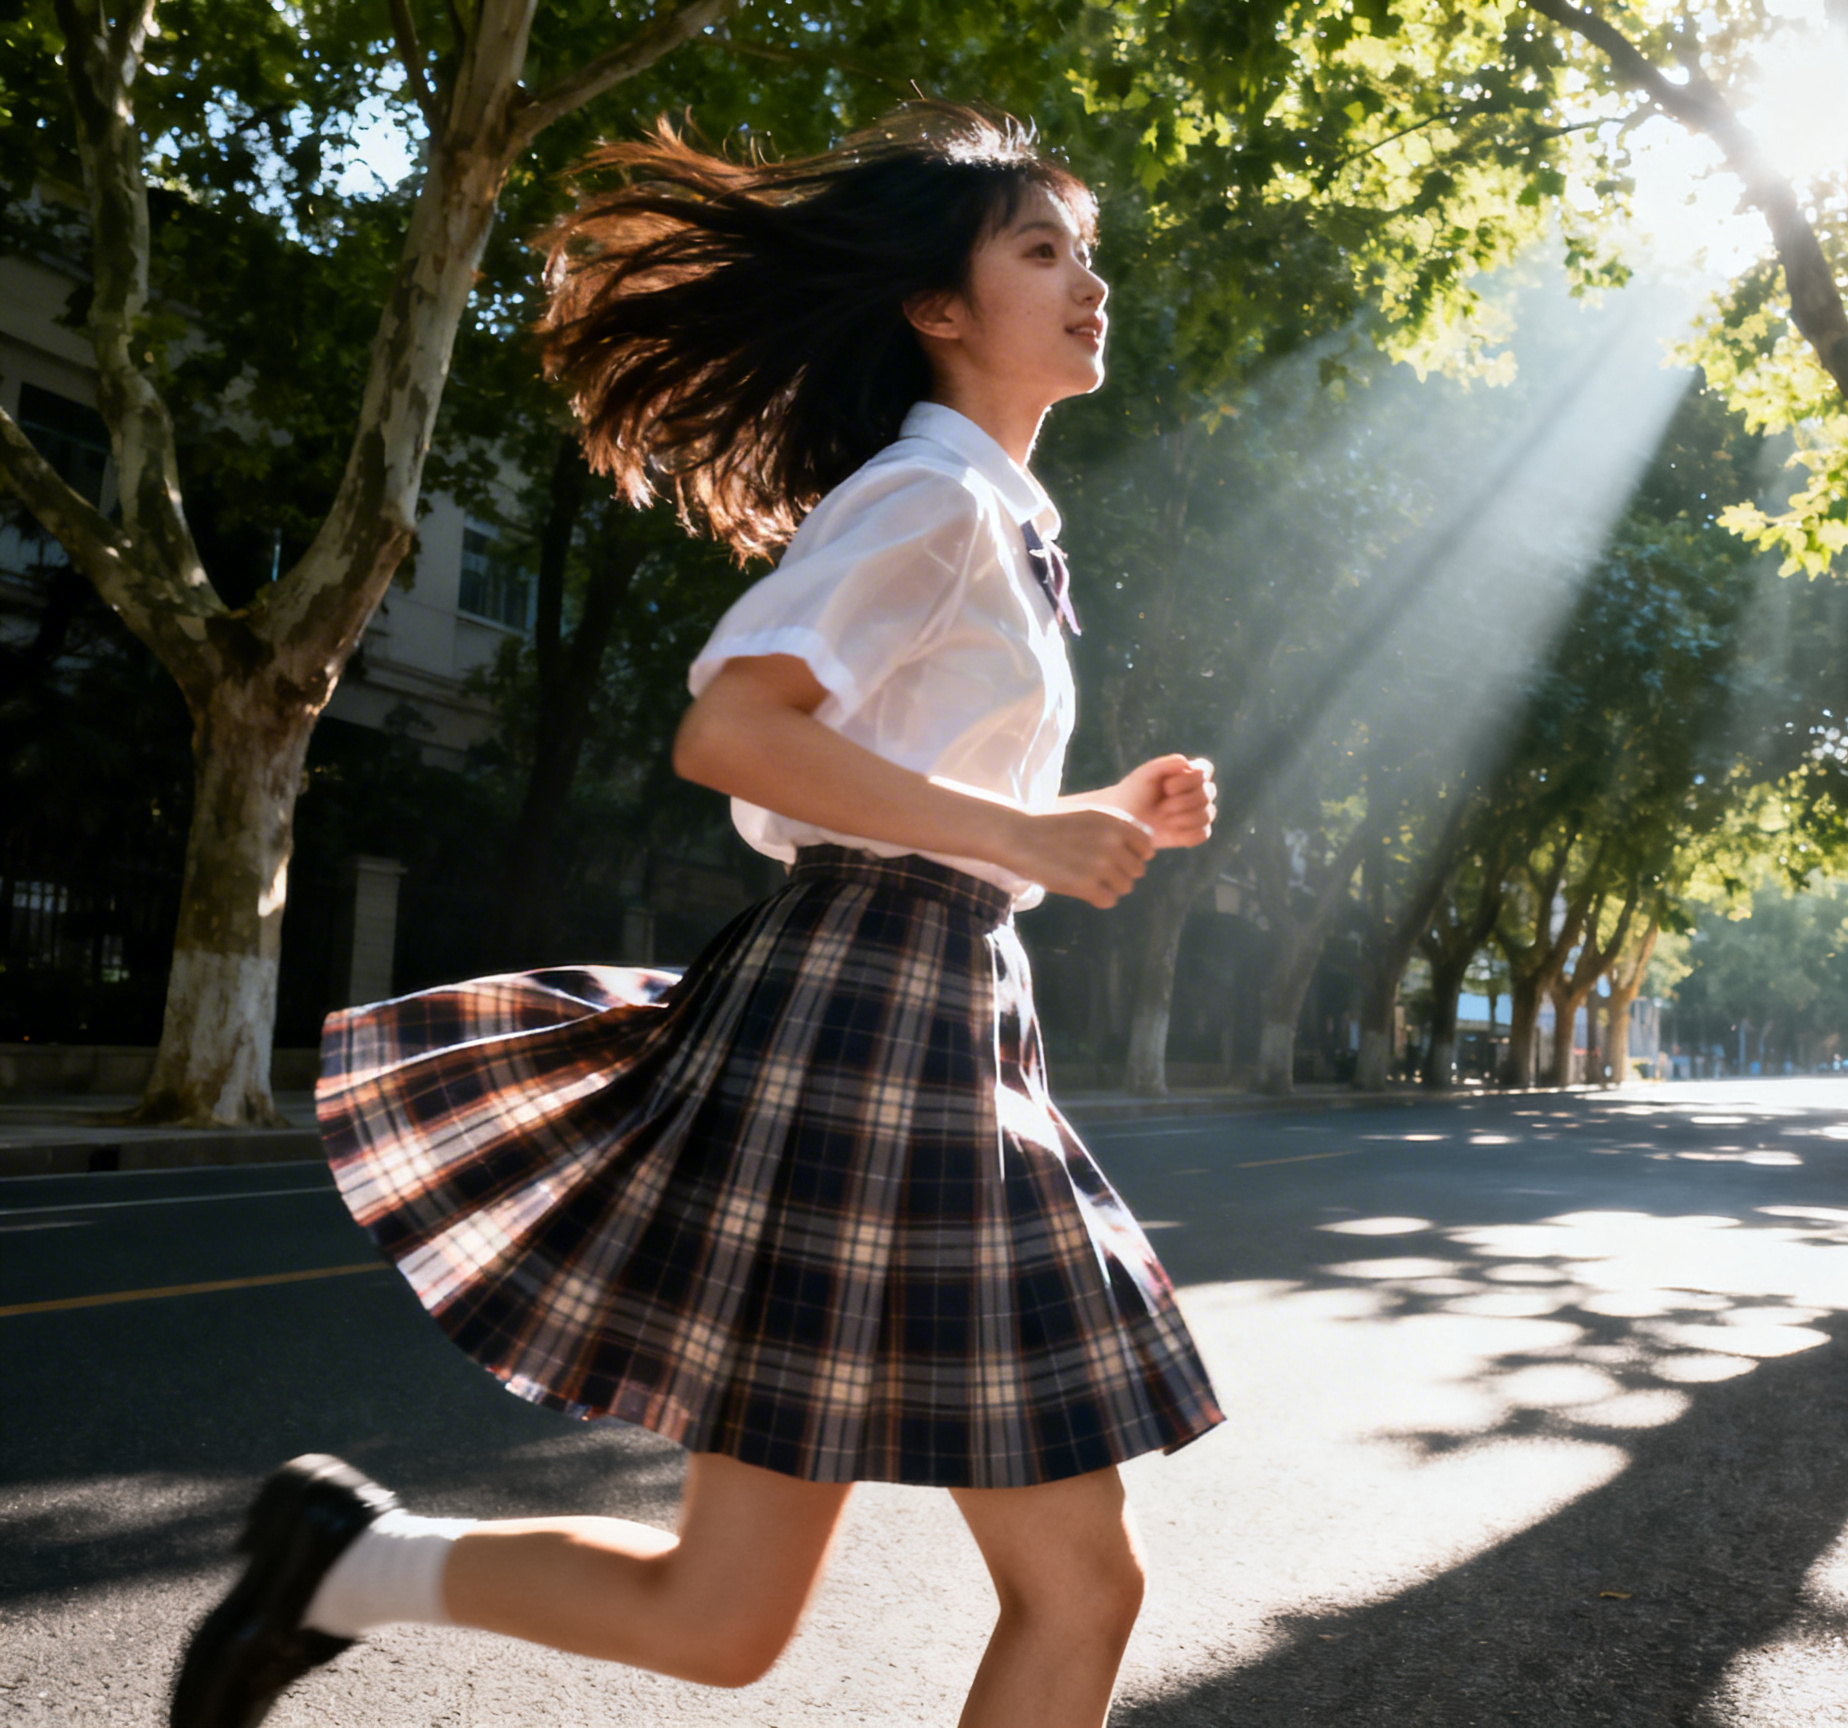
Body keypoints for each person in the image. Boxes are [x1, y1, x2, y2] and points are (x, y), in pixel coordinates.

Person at [168, 102, 1225, 1728]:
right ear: (936, 306)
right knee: (1078, 1586)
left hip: (923, 1013)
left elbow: (892, 772)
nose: (1091, 282)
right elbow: (733, 730)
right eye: (1042, 251)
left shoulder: (993, 518)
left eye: (1087, 254)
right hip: (878, 1024)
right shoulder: (929, 500)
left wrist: (1085, 818)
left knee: (725, 1618)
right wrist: (1024, 830)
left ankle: (341, 1565)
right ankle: (337, 1564)